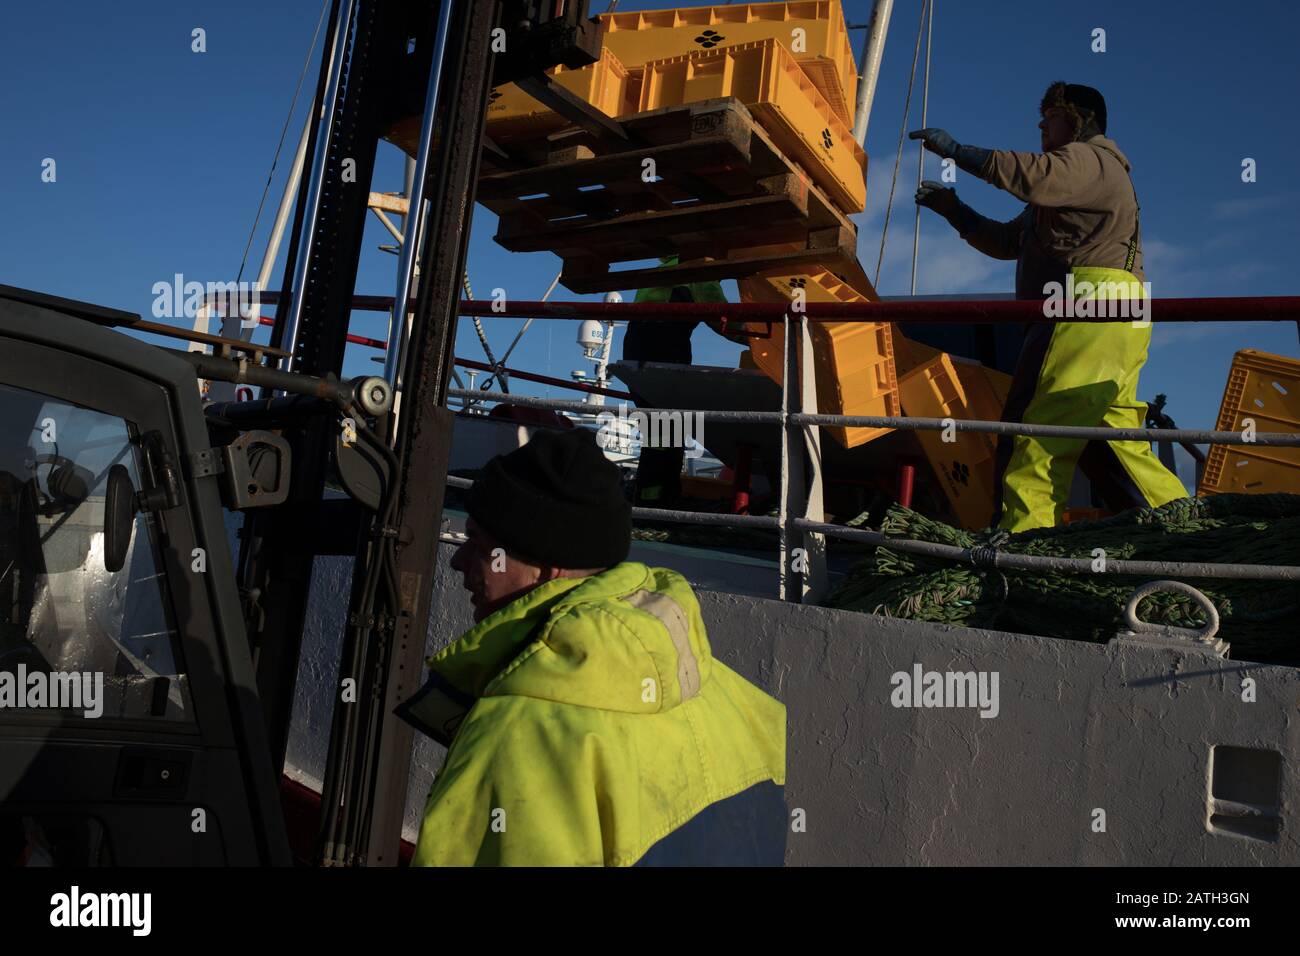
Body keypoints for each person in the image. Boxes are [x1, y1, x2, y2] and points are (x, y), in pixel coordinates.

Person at [400, 427, 787, 866]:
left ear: (547, 566)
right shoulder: (730, 697)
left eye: (479, 544)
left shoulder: (515, 738)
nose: (458, 560)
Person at [910, 81, 1187, 531]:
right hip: (1113, 313)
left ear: (1078, 118)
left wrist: (958, 152)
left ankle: (1020, 543)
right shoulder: (1074, 185)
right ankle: (1181, 526)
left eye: (1050, 115)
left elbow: (1034, 176)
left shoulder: (1090, 158)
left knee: (1033, 431)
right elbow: (1007, 241)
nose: (1040, 123)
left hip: (1083, 305)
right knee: (1109, 436)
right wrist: (953, 209)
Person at [620, 255, 728, 507]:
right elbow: (724, 318)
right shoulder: (702, 269)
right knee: (668, 431)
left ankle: (649, 497)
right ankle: (658, 500)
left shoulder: (662, 270)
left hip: (637, 353)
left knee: (657, 429)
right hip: (665, 351)